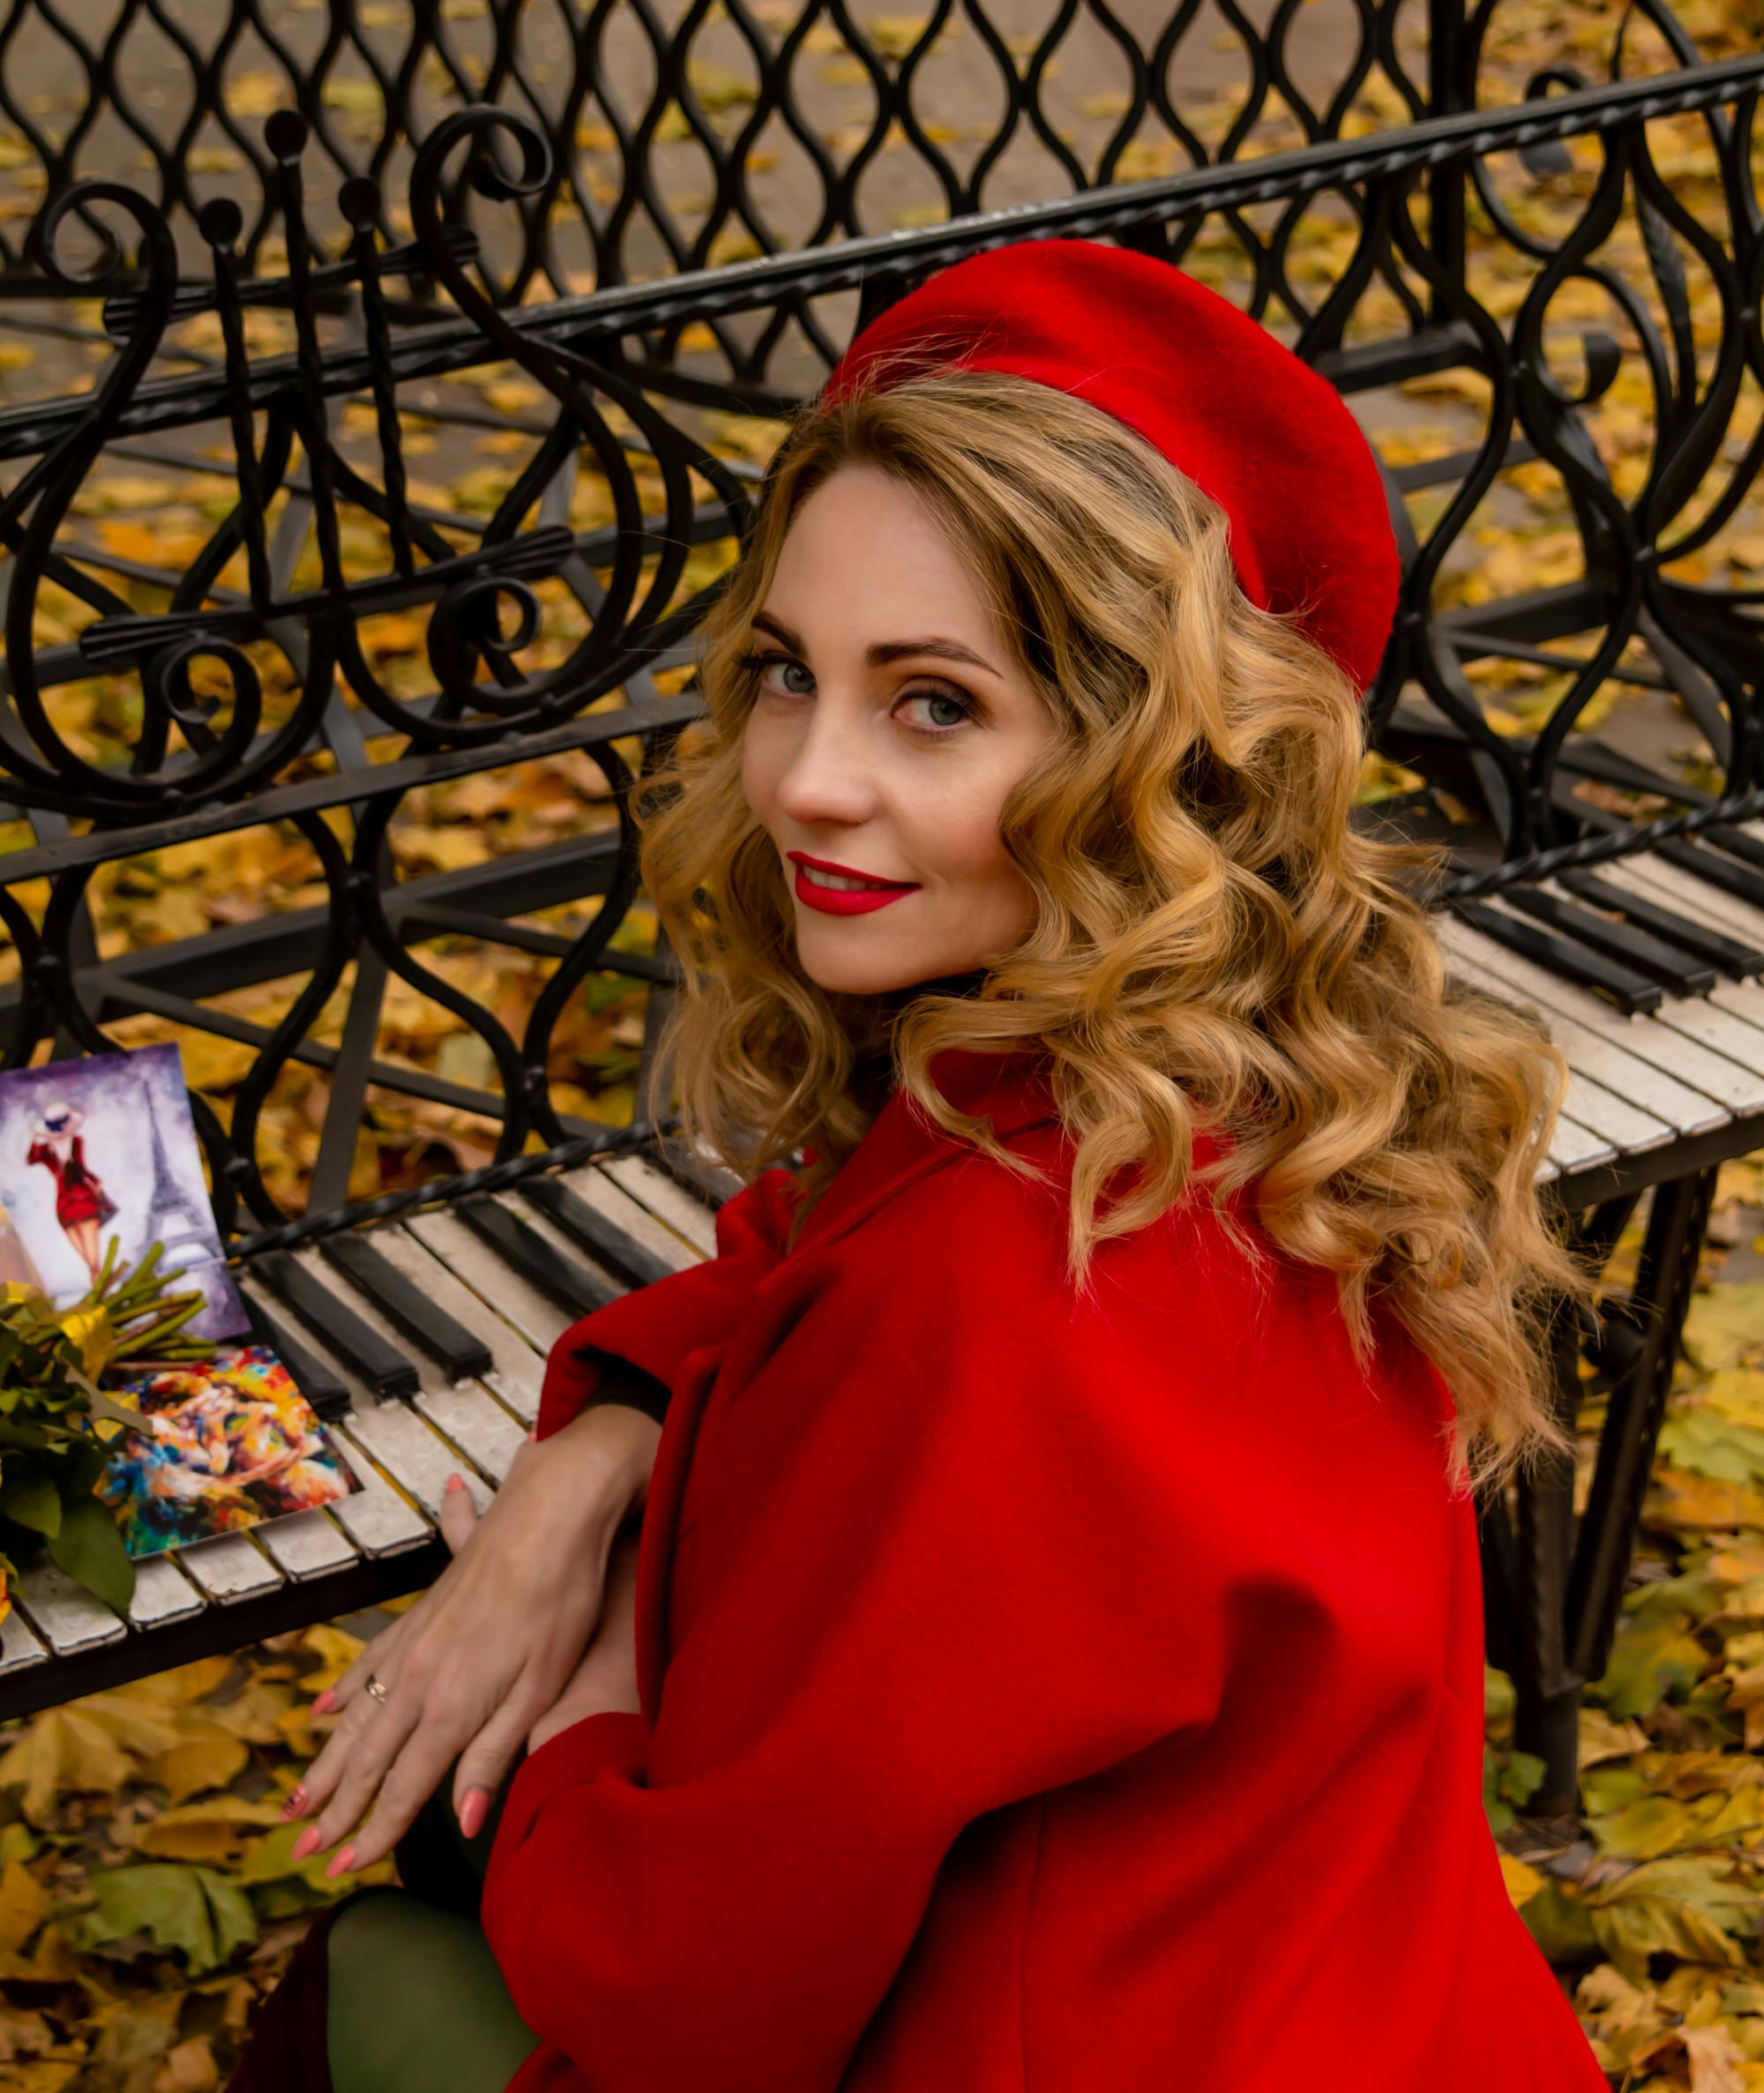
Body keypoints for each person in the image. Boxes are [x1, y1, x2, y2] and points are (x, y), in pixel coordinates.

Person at [228, 239, 1606, 2093]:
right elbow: (812, 1245)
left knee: (377, 1960)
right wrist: (597, 1451)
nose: (801, 778)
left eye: (932, 702)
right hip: (1401, 2037)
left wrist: (594, 1683)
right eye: (789, 674)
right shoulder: (1264, 1109)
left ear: (1157, 759)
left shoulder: (985, 1301)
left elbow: (678, 2002)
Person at [26, 1101, 117, 1283]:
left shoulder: (76, 1142)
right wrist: (36, 1141)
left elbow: (81, 1168)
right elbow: (31, 1159)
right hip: (64, 1205)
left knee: (93, 1260)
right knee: (87, 1259)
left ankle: (99, 1295)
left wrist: (95, 1182)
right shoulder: (45, 1150)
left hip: (83, 1200)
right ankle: (102, 1289)